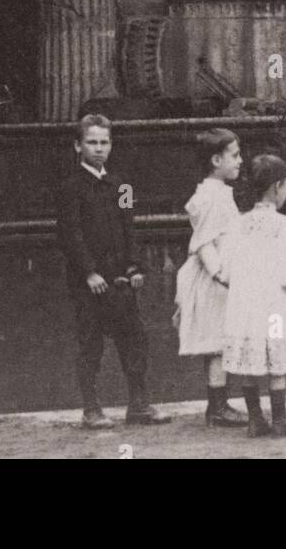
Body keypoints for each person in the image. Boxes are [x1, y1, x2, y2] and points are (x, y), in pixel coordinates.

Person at [56, 114, 170, 429]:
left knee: (134, 339)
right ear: (78, 145)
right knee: (90, 343)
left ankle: (138, 405)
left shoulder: (120, 185)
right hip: (89, 284)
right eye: (91, 142)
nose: (98, 148)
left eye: (104, 142)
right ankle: (91, 408)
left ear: (111, 144)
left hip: (120, 281)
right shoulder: (70, 188)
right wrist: (89, 273)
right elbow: (71, 235)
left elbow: (129, 228)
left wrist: (134, 267)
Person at [221, 154, 286, 437]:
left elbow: (226, 270)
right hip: (274, 307)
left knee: (251, 363)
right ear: (277, 187)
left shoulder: (237, 225)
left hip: (246, 306)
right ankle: (280, 420)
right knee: (277, 363)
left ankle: (254, 419)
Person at [173, 129, 248, 428]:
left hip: (221, 279)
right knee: (219, 343)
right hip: (214, 282)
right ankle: (217, 407)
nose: (240, 161)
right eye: (235, 155)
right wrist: (221, 275)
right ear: (216, 160)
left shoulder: (217, 194)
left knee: (223, 342)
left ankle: (219, 403)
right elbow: (203, 242)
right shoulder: (212, 197)